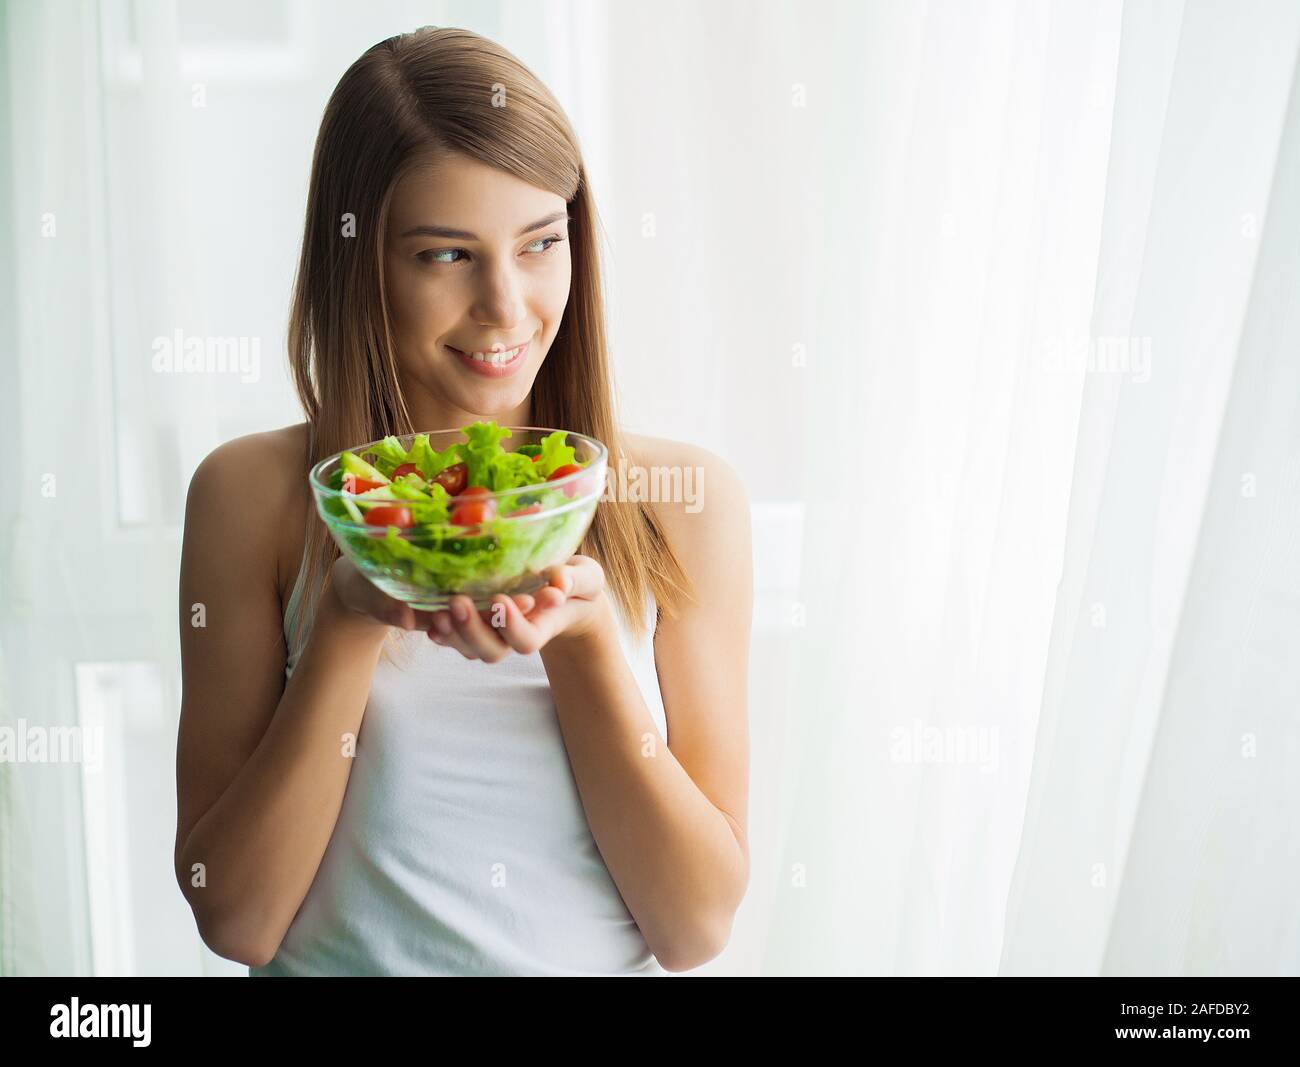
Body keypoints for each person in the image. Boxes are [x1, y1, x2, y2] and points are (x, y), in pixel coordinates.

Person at [173, 25, 752, 976]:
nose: (505, 306)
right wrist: (353, 621)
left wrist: (586, 640)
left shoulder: (680, 507)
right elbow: (235, 915)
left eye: (539, 245)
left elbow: (694, 930)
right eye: (446, 256)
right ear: (357, 262)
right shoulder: (251, 498)